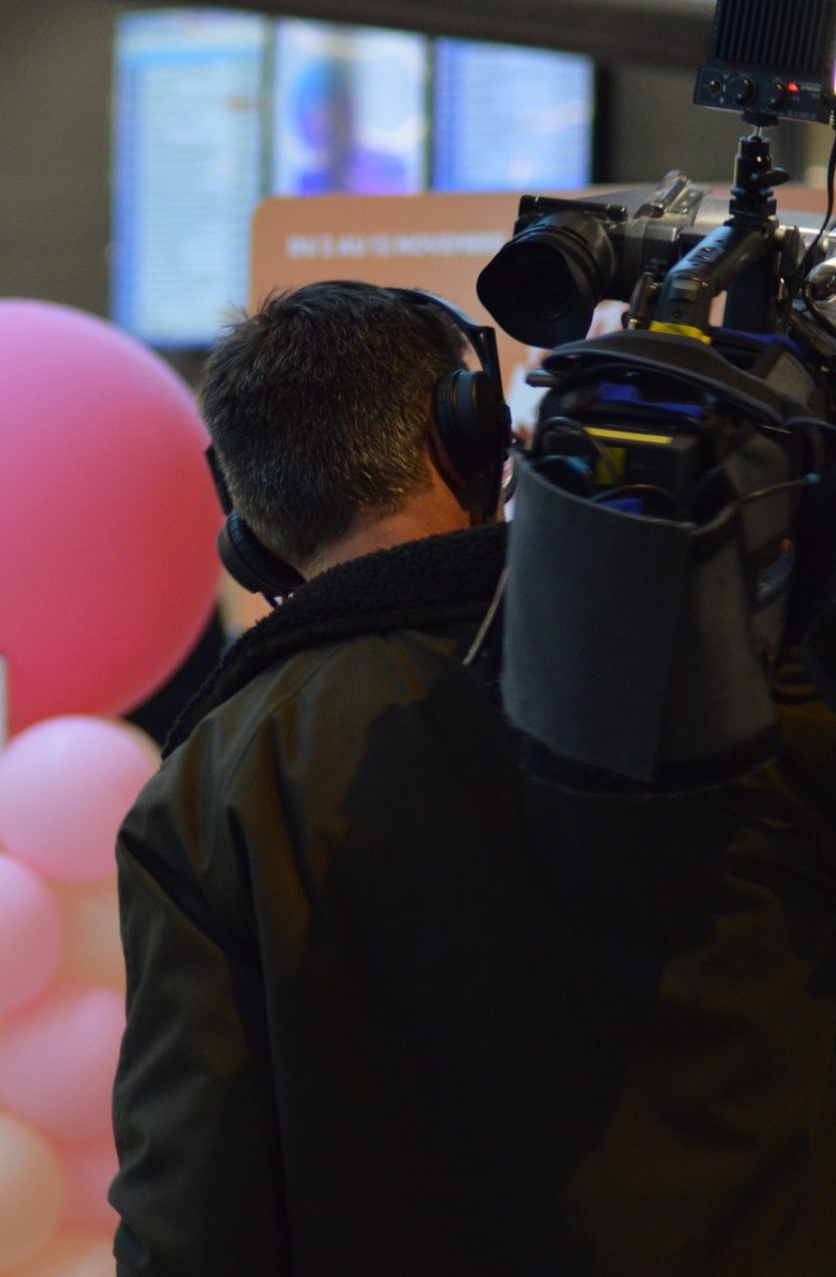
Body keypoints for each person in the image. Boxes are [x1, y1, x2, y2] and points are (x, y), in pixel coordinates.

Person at [110, 281, 836, 1275]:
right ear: (471, 436)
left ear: (247, 523)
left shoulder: (211, 788)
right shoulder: (742, 671)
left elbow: (193, 1218)